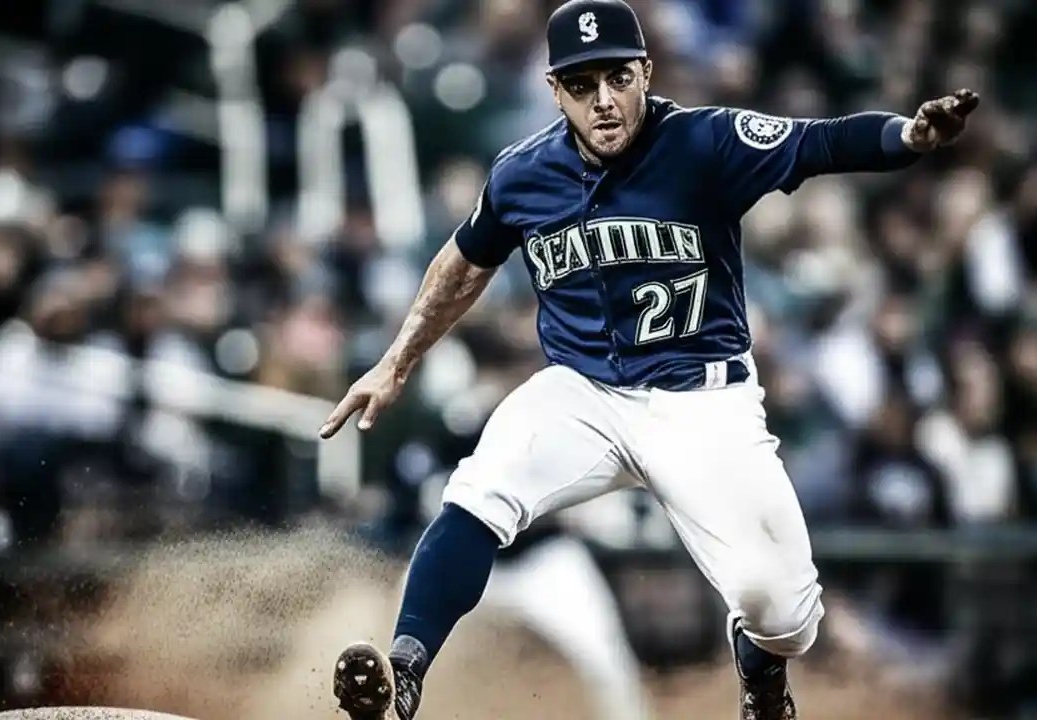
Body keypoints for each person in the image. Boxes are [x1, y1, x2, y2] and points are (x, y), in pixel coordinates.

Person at [318, 1, 979, 717]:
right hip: (584, 393)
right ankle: (404, 674)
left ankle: (762, 680)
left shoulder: (703, 140)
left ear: (647, 73)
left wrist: (907, 136)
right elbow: (464, 261)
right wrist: (396, 360)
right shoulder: (523, 173)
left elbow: (818, 143)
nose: (602, 100)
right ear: (553, 89)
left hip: (702, 401)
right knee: (482, 489)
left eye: (617, 77)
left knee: (782, 611)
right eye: (581, 84)